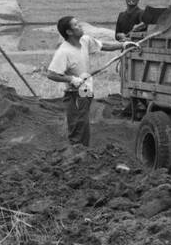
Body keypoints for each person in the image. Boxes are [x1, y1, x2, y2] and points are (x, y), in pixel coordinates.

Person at [45, 16, 136, 149]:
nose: (80, 26)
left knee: (84, 122)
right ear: (69, 32)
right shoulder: (64, 52)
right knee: (77, 124)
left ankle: (84, 151)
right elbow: (51, 74)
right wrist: (71, 79)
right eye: (76, 25)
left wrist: (123, 45)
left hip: (86, 90)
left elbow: (102, 45)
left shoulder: (85, 40)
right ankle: (75, 152)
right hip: (74, 93)